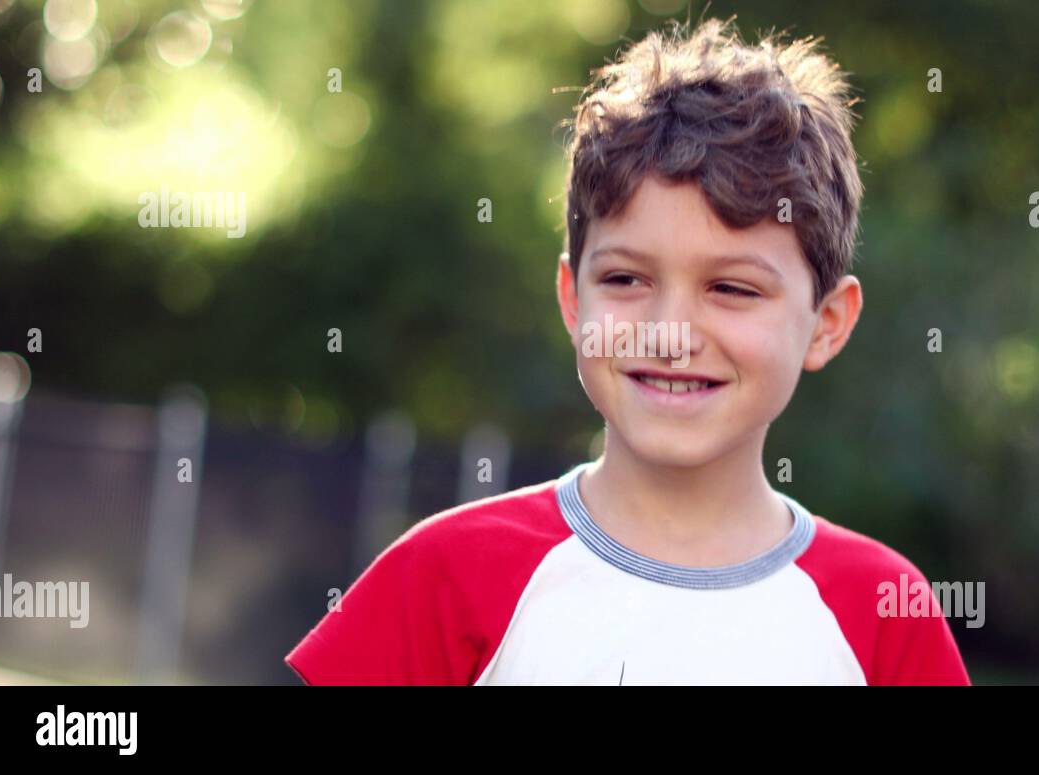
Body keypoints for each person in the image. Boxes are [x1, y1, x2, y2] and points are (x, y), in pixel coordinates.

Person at [286, 17, 970, 686]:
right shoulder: (446, 573)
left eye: (731, 287)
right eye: (626, 279)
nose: (670, 332)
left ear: (827, 322)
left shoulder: (884, 611)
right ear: (573, 298)